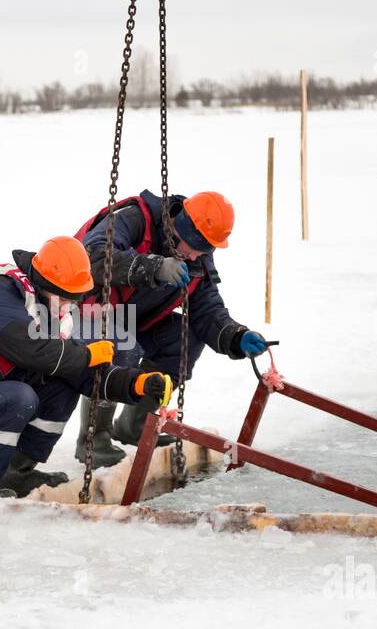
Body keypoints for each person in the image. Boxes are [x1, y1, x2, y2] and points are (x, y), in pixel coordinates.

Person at [0, 235, 172, 513]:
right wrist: (86, 355)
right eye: (64, 297)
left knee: (62, 384)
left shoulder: (53, 313)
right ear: (44, 284)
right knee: (18, 397)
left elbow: (81, 372)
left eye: (75, 299)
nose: (68, 306)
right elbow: (29, 349)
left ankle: (16, 471)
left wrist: (135, 384)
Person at [72, 189, 267, 465]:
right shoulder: (135, 218)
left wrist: (235, 336)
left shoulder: (196, 256)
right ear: (182, 228)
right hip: (81, 312)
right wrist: (153, 267)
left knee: (185, 336)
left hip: (132, 318)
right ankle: (94, 437)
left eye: (206, 249)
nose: (197, 255)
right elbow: (93, 258)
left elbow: (207, 308)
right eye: (197, 245)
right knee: (118, 344)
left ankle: (137, 423)